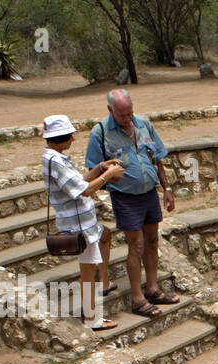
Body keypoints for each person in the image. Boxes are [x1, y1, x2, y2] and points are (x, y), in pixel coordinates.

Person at [84, 89, 179, 318]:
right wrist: (107, 174)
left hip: (149, 193)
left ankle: (153, 288)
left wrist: (166, 189)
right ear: (110, 110)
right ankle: (137, 298)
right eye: (122, 114)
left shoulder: (144, 124)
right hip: (125, 197)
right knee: (135, 245)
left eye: (130, 112)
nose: (128, 118)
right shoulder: (100, 133)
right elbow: (92, 169)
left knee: (153, 240)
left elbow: (157, 160)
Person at [41, 114, 124, 331]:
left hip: (86, 223)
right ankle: (92, 319)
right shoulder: (55, 162)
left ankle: (102, 285)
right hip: (79, 227)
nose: (73, 140)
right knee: (87, 273)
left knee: (105, 234)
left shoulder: (54, 158)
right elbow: (84, 190)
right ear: (63, 137)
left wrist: (98, 169)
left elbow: (78, 181)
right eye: (70, 136)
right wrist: (108, 176)